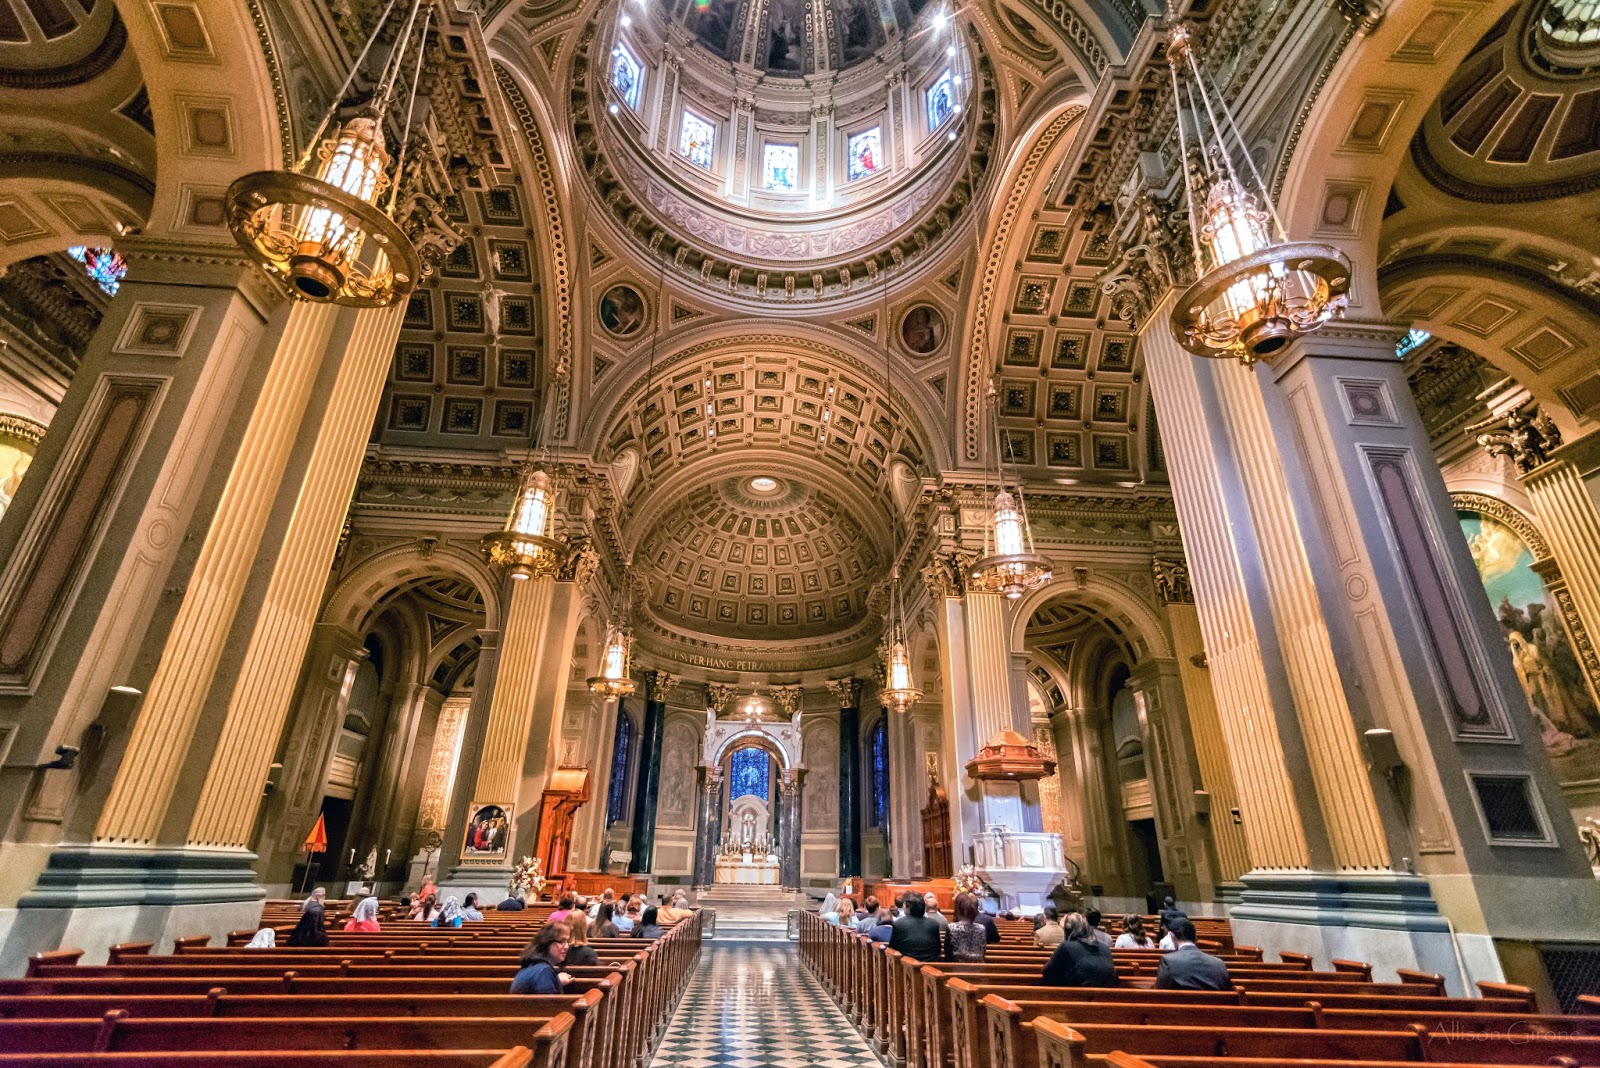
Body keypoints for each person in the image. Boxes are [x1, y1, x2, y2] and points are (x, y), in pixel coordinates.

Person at [1153, 918, 1231, 991]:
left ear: (1172, 936)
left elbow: (1160, 993)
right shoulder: (1219, 963)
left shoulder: (1168, 961)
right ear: (1195, 937)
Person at [1043, 914, 1118, 987]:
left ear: (1067, 930)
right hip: (1110, 993)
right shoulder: (1105, 948)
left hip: (1078, 993)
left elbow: (1047, 972)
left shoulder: (1066, 946)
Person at [511, 925, 570, 994]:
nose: (567, 947)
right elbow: (549, 1000)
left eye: (567, 942)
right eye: (561, 941)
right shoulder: (543, 971)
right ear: (547, 942)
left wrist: (557, 981)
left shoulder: (534, 964)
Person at [888, 894, 944, 962]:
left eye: (904, 905)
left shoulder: (898, 924)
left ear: (908, 908)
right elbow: (938, 949)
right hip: (930, 965)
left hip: (905, 964)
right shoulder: (934, 924)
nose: (903, 907)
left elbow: (892, 948)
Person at [946, 892, 987, 962]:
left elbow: (948, 954)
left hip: (956, 967)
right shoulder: (982, 928)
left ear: (958, 909)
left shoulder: (951, 928)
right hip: (978, 967)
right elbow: (983, 951)